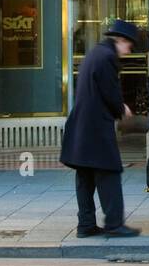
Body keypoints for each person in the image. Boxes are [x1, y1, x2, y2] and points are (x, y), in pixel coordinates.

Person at [60, 19, 142, 238]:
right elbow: (109, 91)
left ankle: (85, 225)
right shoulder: (107, 58)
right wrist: (121, 108)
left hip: (81, 126)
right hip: (95, 128)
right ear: (121, 40)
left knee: (85, 176)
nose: (129, 50)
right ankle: (114, 224)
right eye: (129, 45)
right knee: (109, 173)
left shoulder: (95, 53)